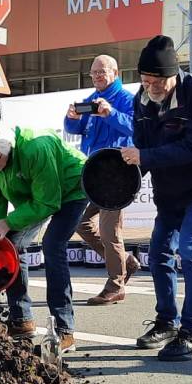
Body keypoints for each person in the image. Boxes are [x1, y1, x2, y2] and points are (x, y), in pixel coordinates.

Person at [120, 35, 192, 361]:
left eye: (156, 81)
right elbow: (142, 148)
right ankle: (167, 322)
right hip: (170, 190)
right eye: (145, 80)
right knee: (158, 252)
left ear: (173, 75)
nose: (150, 87)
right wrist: (119, 183)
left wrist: (144, 157)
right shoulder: (141, 99)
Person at [0, 120, 88, 353]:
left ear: (7, 147)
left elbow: (48, 202)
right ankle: (21, 320)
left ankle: (64, 330)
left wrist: (8, 222)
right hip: (36, 196)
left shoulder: (36, 147)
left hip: (71, 189)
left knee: (53, 245)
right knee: (9, 245)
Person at [63, 54, 139, 305]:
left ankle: (116, 285)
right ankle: (125, 262)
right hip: (92, 172)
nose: (97, 76)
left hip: (117, 174)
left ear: (115, 73)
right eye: (93, 72)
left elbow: (137, 130)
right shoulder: (90, 100)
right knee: (79, 221)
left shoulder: (128, 100)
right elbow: (75, 129)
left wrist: (110, 113)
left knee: (109, 231)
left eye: (102, 71)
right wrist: (71, 119)